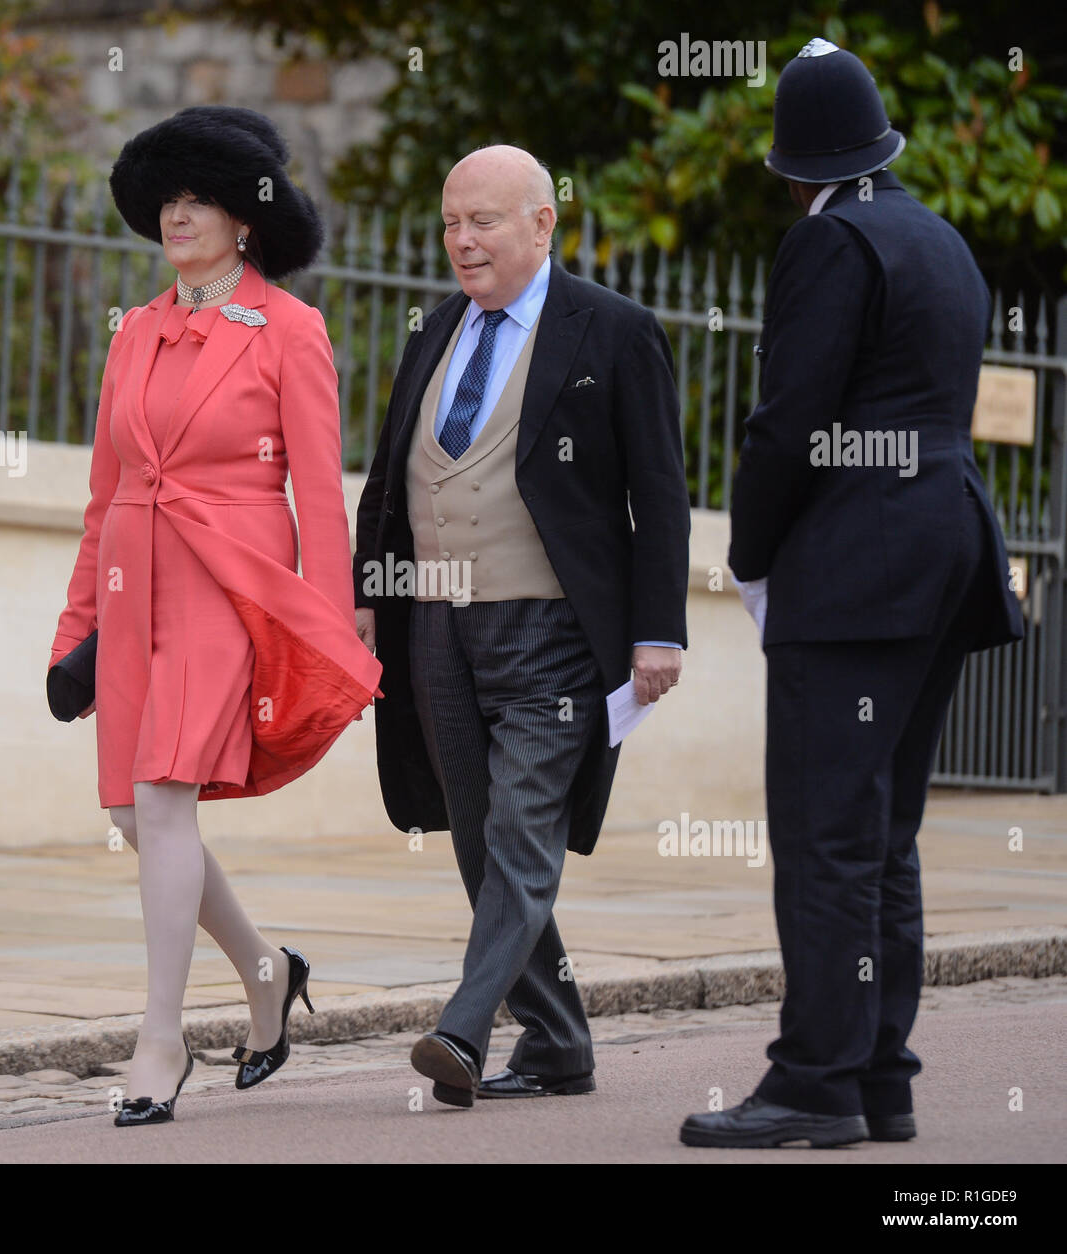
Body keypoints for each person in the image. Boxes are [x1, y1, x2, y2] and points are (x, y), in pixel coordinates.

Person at [680, 40, 1024, 1149]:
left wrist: (750, 553)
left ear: (795, 167)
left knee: (826, 834)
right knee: (885, 833)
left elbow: (790, 422)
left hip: (856, 564)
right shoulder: (941, 240)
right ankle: (880, 1077)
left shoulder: (828, 239)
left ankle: (814, 1083)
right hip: (947, 544)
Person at [49, 106, 381, 1126]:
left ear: (246, 218)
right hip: (129, 590)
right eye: (167, 199)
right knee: (131, 813)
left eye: (200, 199)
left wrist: (331, 630)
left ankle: (160, 1038)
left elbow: (319, 496)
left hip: (227, 590)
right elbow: (105, 499)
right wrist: (73, 633)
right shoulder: (136, 331)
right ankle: (265, 967)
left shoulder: (291, 330)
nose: (178, 214)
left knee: (161, 797)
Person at [354, 145, 690, 1108]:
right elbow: (392, 470)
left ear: (544, 223)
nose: (462, 241)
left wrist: (660, 631)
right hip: (436, 628)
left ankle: (463, 1029)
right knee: (476, 835)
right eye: (451, 223)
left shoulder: (614, 331)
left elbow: (660, 493)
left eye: (484, 221)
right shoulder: (436, 329)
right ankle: (559, 1041)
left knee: (521, 832)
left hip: (554, 632)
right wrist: (369, 591)